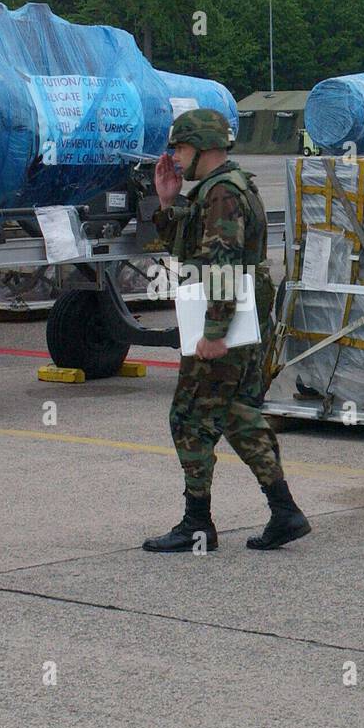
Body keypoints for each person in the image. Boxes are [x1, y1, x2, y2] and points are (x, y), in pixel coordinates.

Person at [142, 108, 311, 553]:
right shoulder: (226, 188)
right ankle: (285, 511)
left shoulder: (222, 194)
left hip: (226, 320)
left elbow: (222, 262)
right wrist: (167, 202)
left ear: (202, 147)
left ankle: (197, 524)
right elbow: (190, 246)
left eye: (180, 149)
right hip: (241, 316)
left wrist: (214, 332)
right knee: (238, 415)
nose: (175, 158)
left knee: (189, 418)